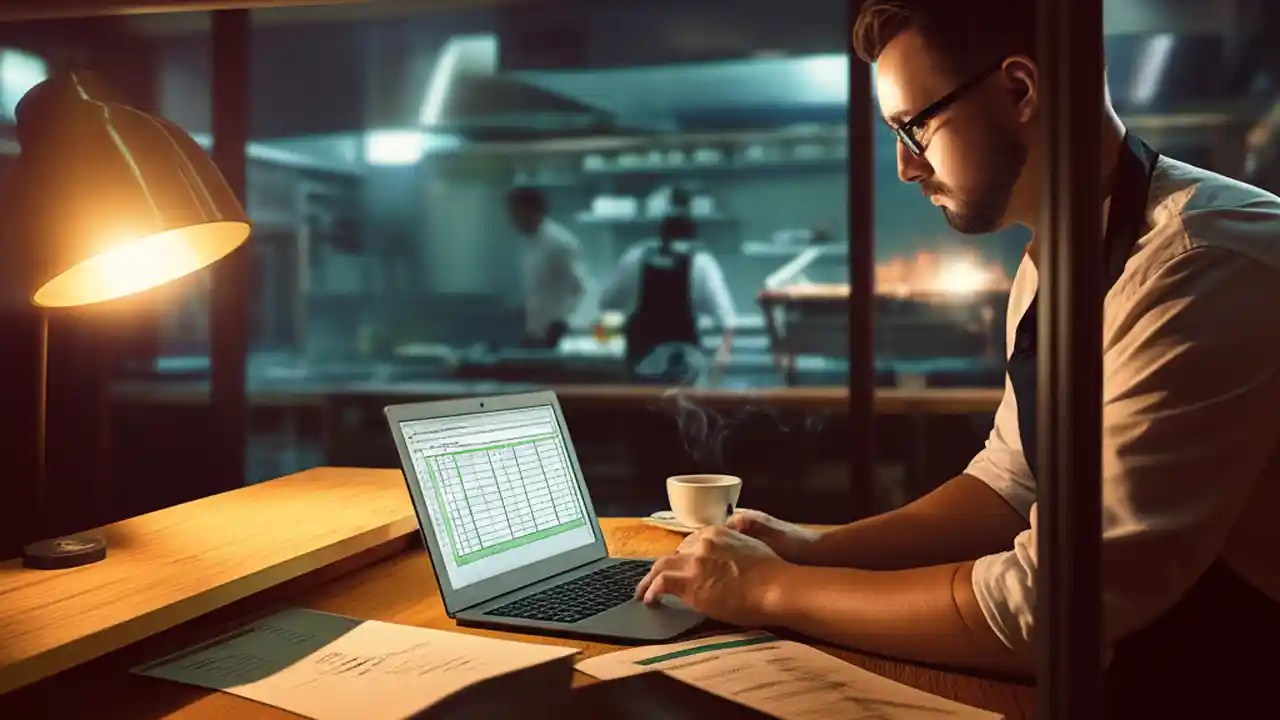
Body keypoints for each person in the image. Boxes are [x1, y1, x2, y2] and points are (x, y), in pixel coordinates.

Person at [635, 1, 1280, 713]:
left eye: (914, 127)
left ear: (1020, 90)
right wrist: (815, 547)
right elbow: (1011, 487)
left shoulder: (1201, 263)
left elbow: (1055, 605)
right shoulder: (1054, 257)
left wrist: (771, 588)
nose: (907, 167)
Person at [598, 194, 737, 383]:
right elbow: (727, 321)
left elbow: (608, 304)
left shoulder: (635, 256)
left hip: (641, 362)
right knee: (680, 410)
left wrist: (609, 347)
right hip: (685, 367)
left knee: (642, 410)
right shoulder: (703, 263)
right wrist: (718, 369)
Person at [506, 187, 587, 349]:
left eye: (516, 211)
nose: (512, 219)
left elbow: (579, 289)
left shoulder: (559, 243)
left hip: (555, 336)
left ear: (531, 210)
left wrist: (560, 323)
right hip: (534, 335)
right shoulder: (531, 243)